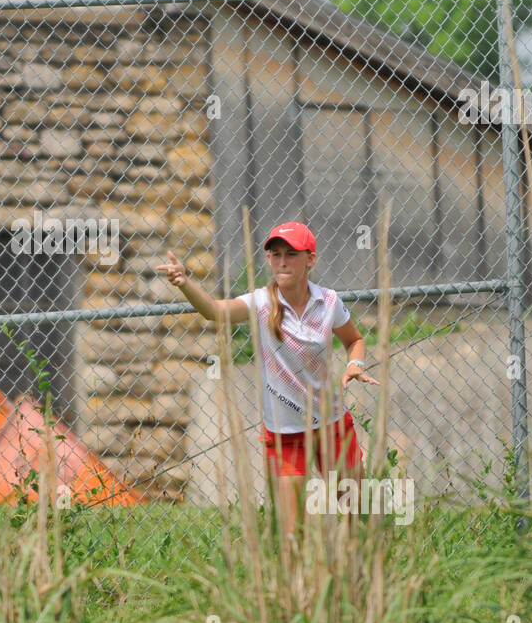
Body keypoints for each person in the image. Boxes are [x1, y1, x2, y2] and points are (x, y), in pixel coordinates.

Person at [157, 221, 379, 533]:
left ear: (310, 259)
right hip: (284, 435)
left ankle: (356, 577)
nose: (282, 262)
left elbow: (354, 339)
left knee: (355, 519)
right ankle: (300, 581)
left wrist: (355, 364)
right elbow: (213, 311)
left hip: (332, 427)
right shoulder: (260, 302)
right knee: (291, 534)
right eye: (275, 255)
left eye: (291, 254)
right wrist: (184, 283)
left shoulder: (328, 301)